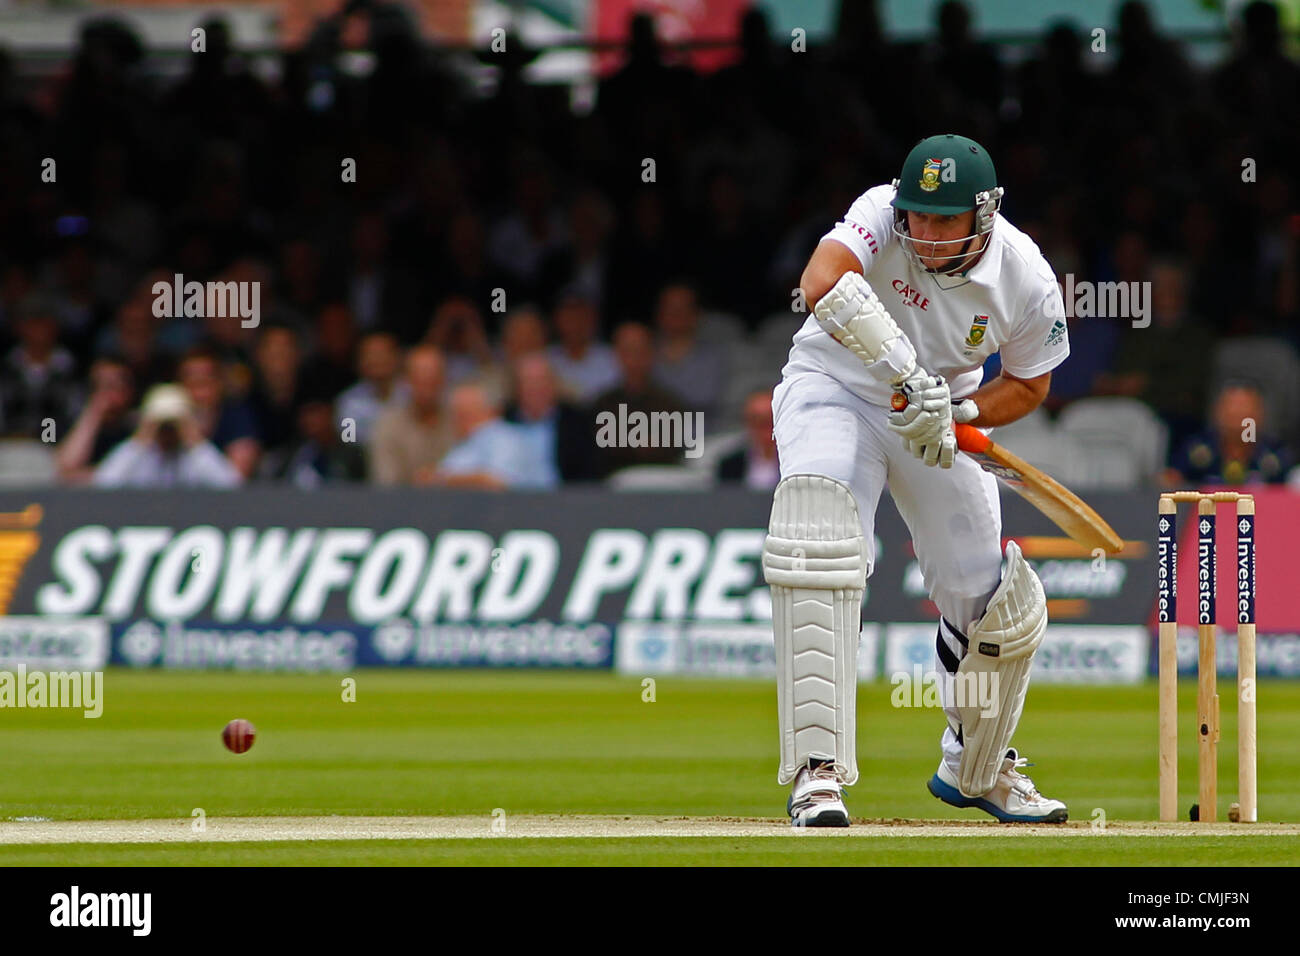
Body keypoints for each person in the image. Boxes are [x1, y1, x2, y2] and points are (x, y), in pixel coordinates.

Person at [769, 134, 1070, 826]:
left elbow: (1030, 383)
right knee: (819, 542)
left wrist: (961, 412)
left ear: (983, 215)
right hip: (834, 388)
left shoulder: (1025, 276)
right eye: (919, 216)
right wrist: (908, 376)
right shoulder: (880, 210)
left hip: (937, 417)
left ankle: (979, 766)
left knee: (990, 599)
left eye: (945, 219)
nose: (927, 234)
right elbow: (820, 282)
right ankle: (817, 773)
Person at [93, 383, 242, 488]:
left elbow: (231, 485)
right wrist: (139, 441)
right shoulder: (139, 454)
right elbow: (102, 484)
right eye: (162, 425)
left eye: (172, 425)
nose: (167, 431)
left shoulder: (195, 456)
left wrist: (195, 440)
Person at [1164, 383, 1289, 487]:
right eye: (1231, 406)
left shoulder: (1275, 456)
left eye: (1244, 407)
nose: (1236, 413)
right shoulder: (1195, 450)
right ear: (1217, 412)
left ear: (1260, 414)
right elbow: (1170, 481)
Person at [368, 344, 455, 486]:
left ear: (444, 380)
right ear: (406, 381)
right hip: (403, 499)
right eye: (420, 380)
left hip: (455, 498)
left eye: (432, 380)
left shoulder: (460, 421)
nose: (426, 389)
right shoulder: (388, 425)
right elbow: (386, 482)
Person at [717, 391, 778, 489]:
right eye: (758, 422)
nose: (766, 429)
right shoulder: (730, 466)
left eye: (770, 421)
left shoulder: (795, 462)